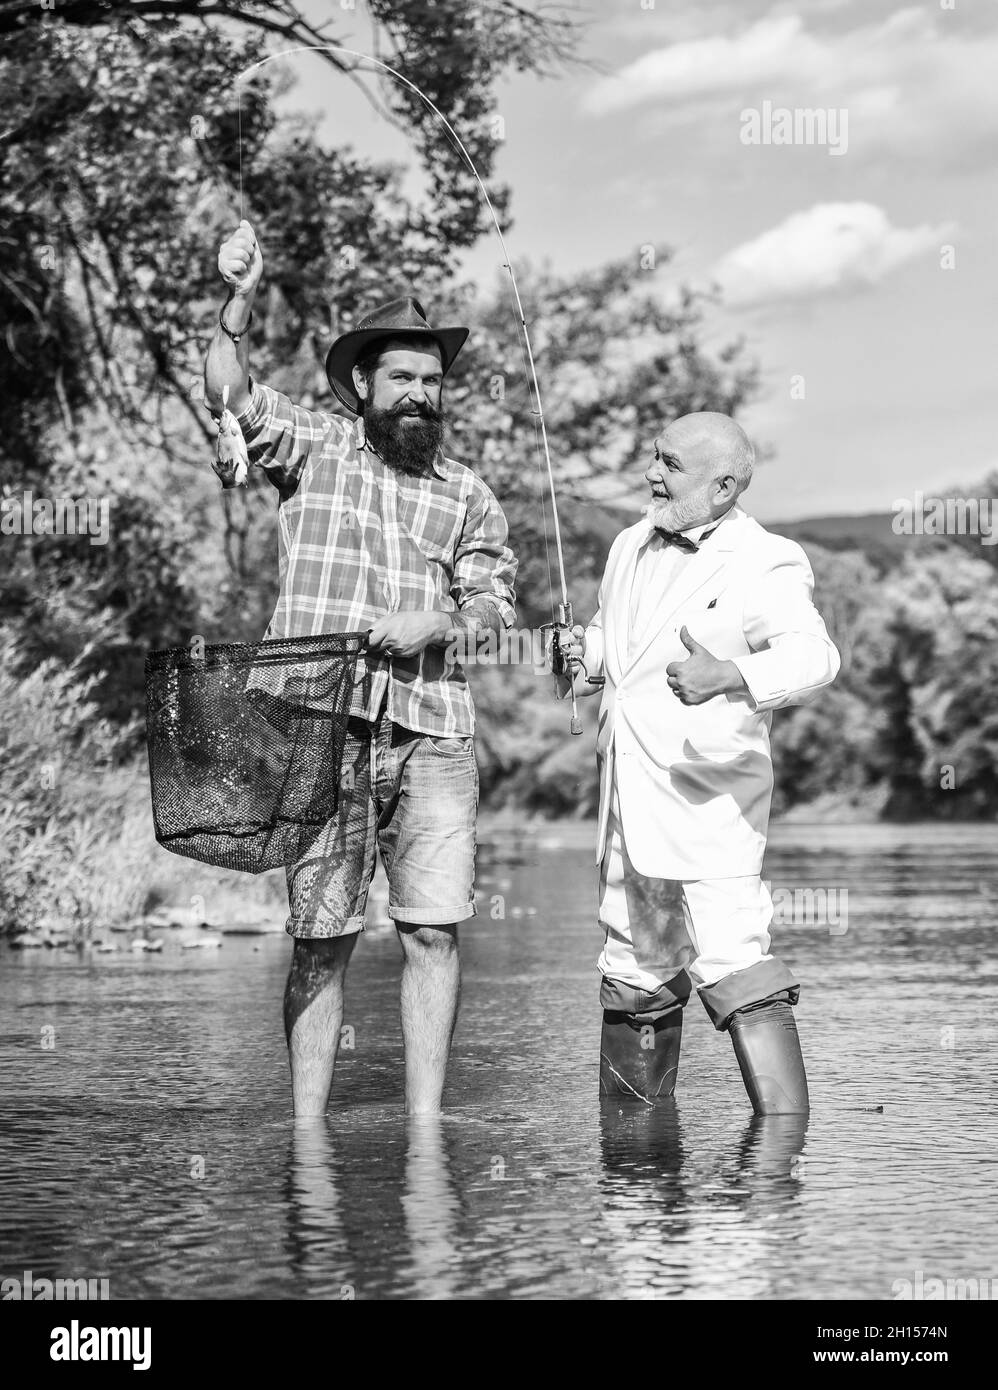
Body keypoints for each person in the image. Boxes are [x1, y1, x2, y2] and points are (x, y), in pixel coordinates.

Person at [204, 219, 517, 1118]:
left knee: (434, 935)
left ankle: (424, 1127)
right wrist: (237, 301)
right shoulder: (311, 446)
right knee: (320, 937)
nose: (421, 394)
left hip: (433, 735)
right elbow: (231, 394)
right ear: (363, 387)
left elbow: (495, 612)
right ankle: (306, 1133)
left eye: (432, 381)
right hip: (318, 725)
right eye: (403, 379)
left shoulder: (469, 493)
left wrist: (443, 619)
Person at [556, 412, 839, 1114]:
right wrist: (586, 654)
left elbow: (815, 657)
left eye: (669, 463)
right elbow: (616, 640)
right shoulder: (626, 544)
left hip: (710, 802)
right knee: (632, 966)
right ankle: (636, 1168)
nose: (651, 472)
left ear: (722, 486)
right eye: (654, 456)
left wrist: (732, 675)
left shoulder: (766, 557)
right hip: (625, 793)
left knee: (734, 957)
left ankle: (781, 1150)